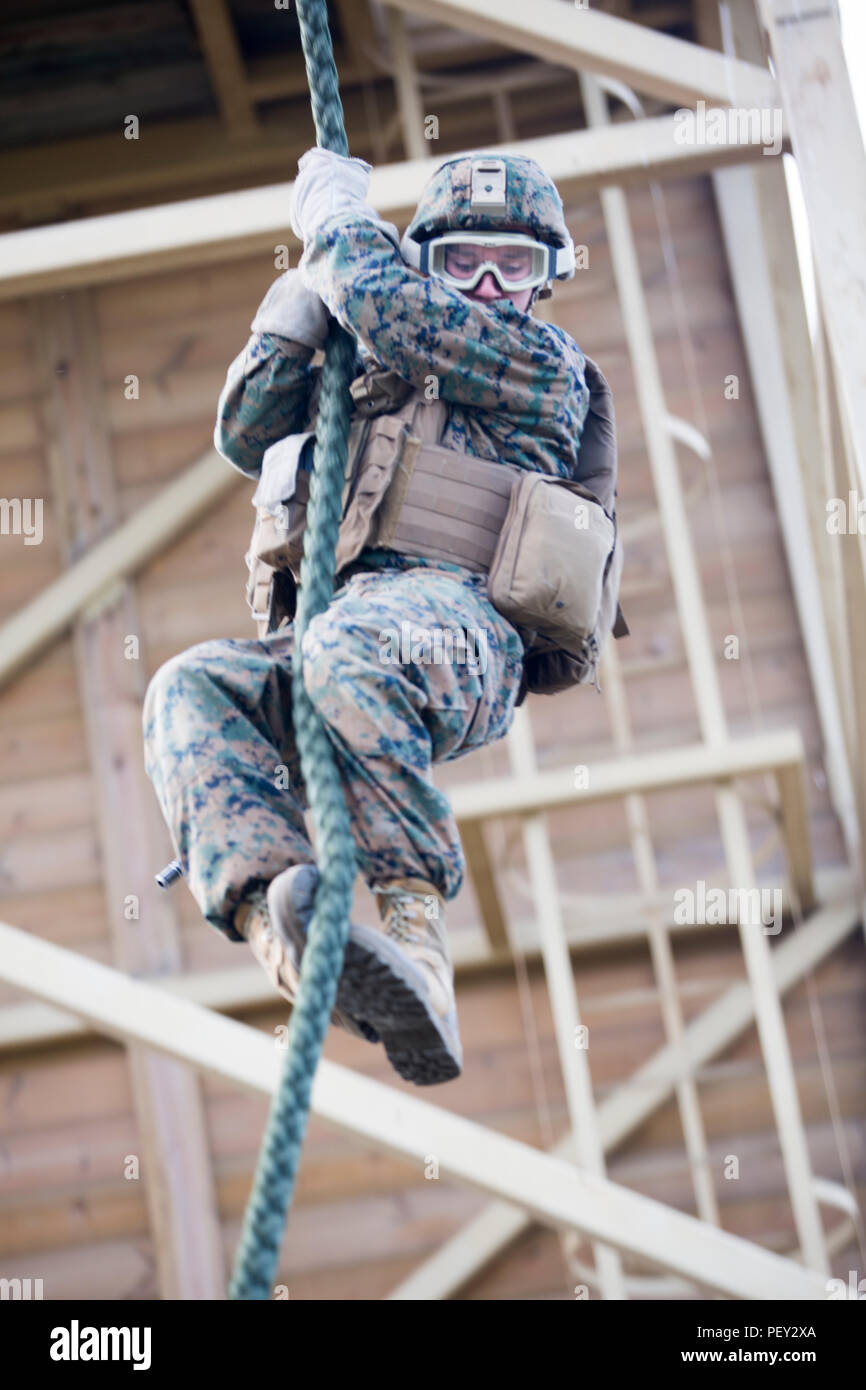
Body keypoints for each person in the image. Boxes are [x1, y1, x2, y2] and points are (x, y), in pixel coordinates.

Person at [143, 148, 622, 1087]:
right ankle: (284, 927)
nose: (489, 285)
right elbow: (244, 429)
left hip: (462, 632)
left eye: (514, 266)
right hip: (344, 634)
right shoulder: (371, 351)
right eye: (465, 263)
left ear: (547, 281)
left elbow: (399, 313)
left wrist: (341, 235)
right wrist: (303, 301)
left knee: (352, 646)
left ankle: (416, 937)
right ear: (428, 259)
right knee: (189, 688)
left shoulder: (543, 368)